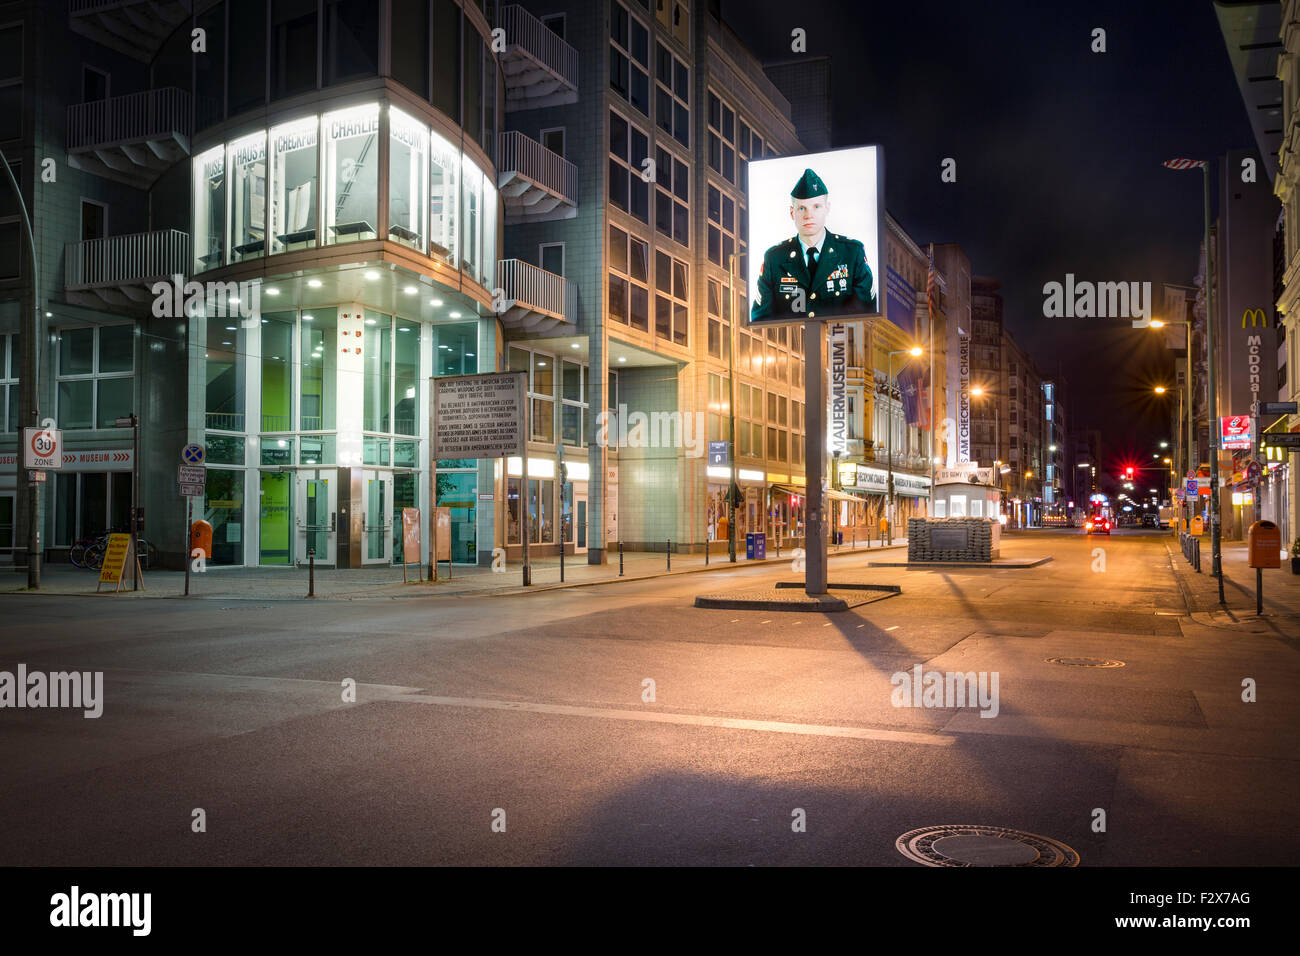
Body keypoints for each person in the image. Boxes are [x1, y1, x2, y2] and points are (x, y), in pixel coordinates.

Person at [751, 167, 877, 321]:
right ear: (792, 213)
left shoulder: (851, 253)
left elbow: (866, 311)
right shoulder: (774, 258)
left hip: (839, 343)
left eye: (816, 207)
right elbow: (761, 317)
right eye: (802, 208)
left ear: (827, 208)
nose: (808, 215)